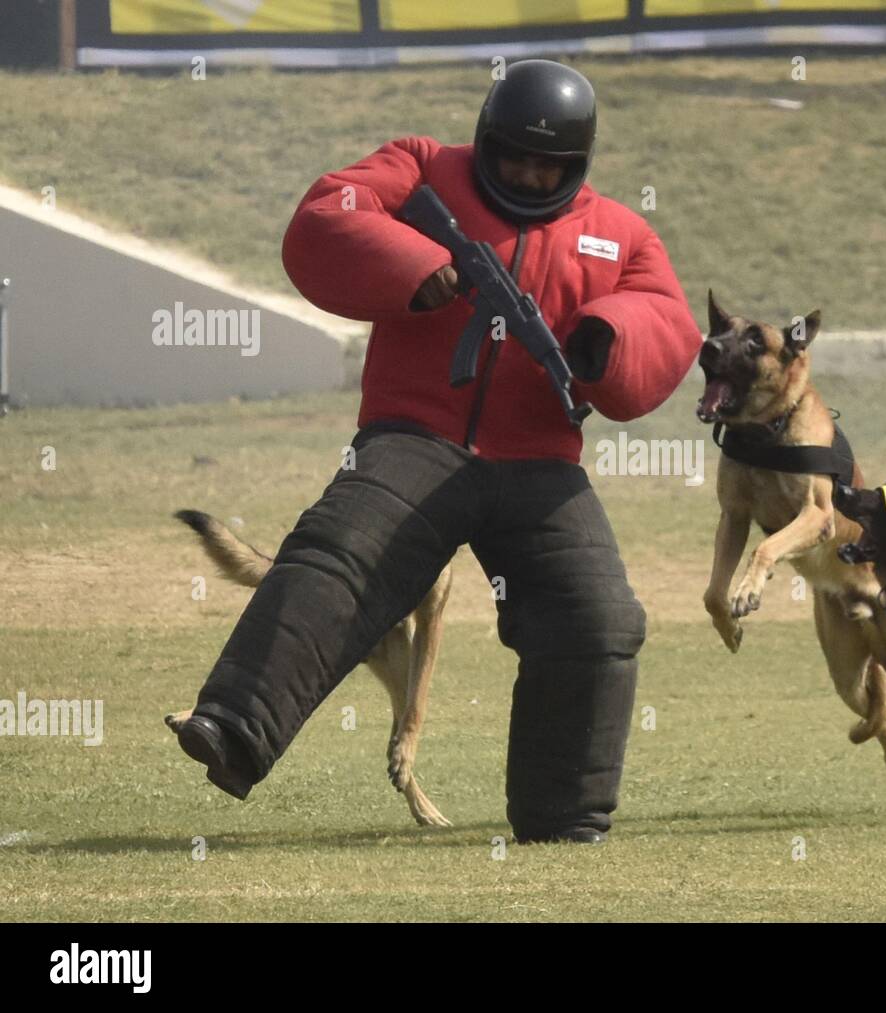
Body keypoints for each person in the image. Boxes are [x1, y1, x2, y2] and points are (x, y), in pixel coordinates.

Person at [177, 59, 700, 844]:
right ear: (486, 139)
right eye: (516, 154)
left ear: (578, 164)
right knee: (335, 558)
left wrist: (609, 337)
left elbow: (667, 319)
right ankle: (232, 729)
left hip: (540, 461)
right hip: (412, 436)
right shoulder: (421, 165)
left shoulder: (623, 232)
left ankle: (565, 818)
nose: (528, 172)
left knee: (598, 618)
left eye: (547, 163)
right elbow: (327, 213)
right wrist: (416, 267)